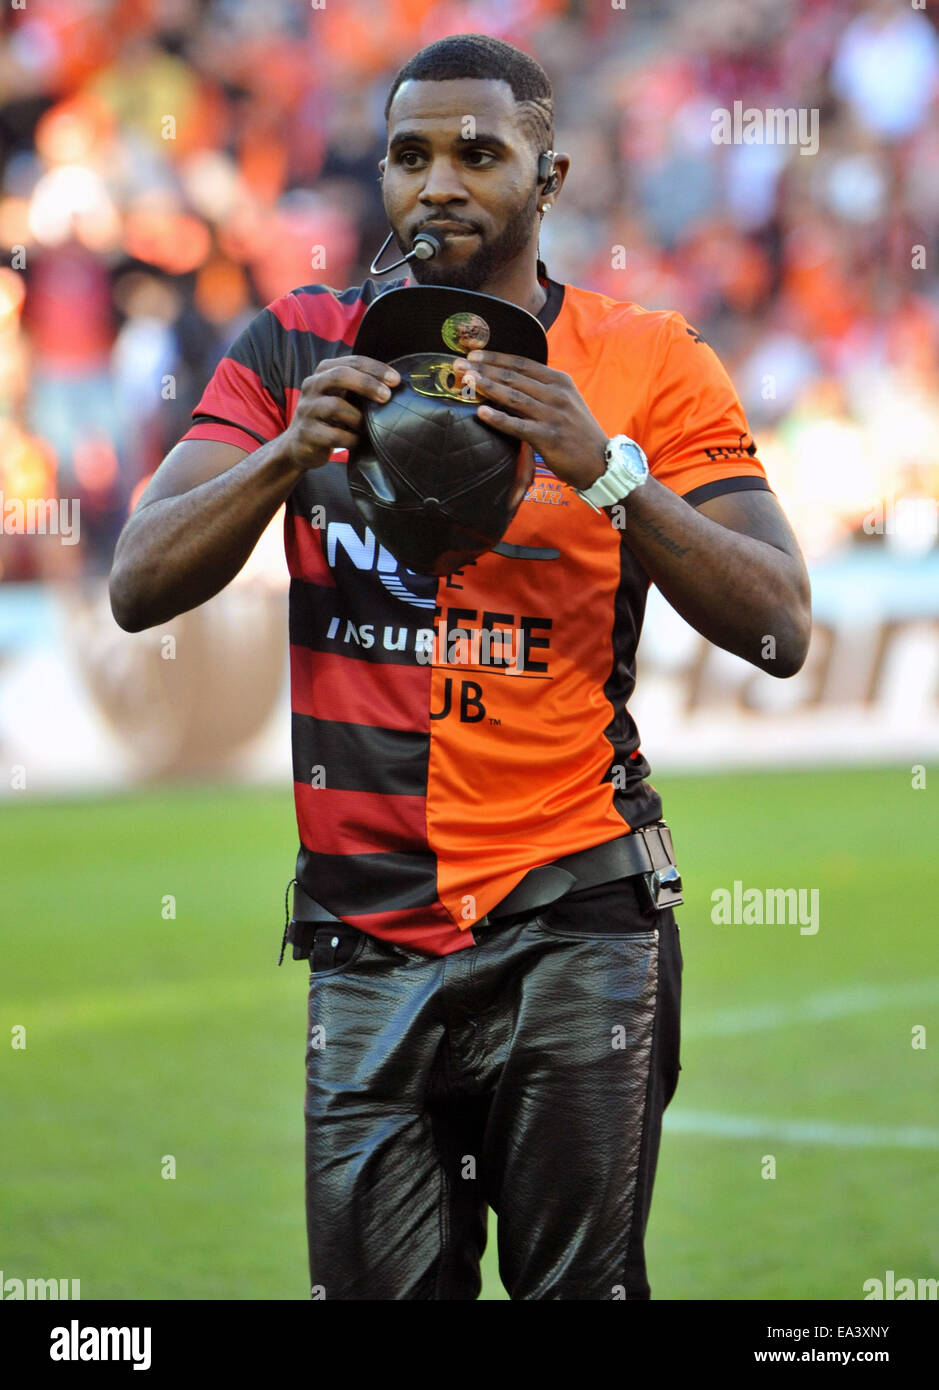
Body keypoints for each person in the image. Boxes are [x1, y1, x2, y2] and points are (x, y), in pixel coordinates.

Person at [108, 32, 811, 1300]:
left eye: (479, 152)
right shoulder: (295, 346)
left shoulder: (647, 359)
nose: (440, 181)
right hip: (365, 933)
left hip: (578, 917)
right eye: (409, 155)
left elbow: (780, 626)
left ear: (548, 173)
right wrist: (282, 459)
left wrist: (606, 470)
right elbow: (136, 581)